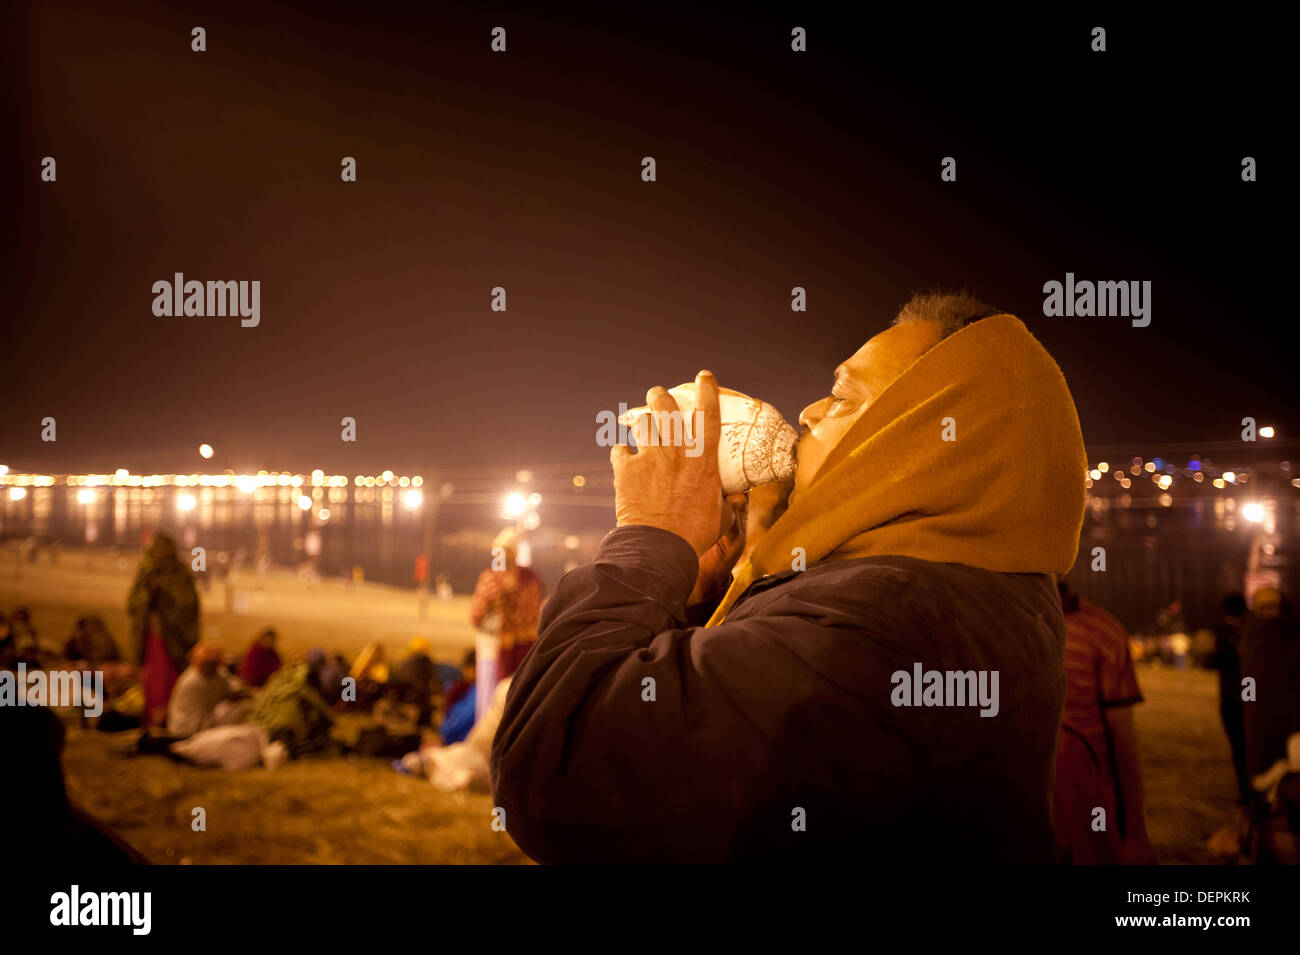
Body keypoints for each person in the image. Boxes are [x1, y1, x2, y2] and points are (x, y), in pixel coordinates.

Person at [492, 293, 1089, 863]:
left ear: (922, 444)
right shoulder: (982, 588)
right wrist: (699, 601)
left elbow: (553, 775)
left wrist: (648, 538)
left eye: (843, 399)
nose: (809, 412)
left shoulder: (877, 628)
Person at [1054, 582, 1156, 864]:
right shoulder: (1001, 624)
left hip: (1088, 809)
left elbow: (1122, 738)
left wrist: (1135, 832)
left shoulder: (1101, 630)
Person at [127, 532, 200, 727]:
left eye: (163, 546)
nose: (159, 550)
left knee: (171, 678)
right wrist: (148, 595)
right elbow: (133, 602)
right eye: (156, 546)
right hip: (151, 635)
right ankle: (151, 715)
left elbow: (188, 604)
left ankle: (171, 714)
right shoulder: (146, 570)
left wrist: (165, 597)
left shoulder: (180, 572)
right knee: (152, 680)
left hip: (173, 640)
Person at [469, 528, 543, 681]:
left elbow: (477, 614)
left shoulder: (496, 577)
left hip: (504, 645)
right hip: (510, 644)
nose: (499, 556)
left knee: (497, 689)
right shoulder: (530, 577)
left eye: (502, 552)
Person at [1211, 593, 1252, 804]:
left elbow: (1215, 660)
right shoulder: (1254, 631)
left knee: (1240, 747)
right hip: (1248, 699)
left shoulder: (1225, 632)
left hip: (1233, 698)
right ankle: (1251, 791)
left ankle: (1247, 791)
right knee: (1248, 746)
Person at [166, 641, 248, 738]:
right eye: (205, 663)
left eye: (213, 664)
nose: (209, 667)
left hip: (201, 727)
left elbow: (229, 691)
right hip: (185, 730)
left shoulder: (216, 676)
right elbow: (225, 693)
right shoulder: (192, 681)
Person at [393, 636, 441, 725]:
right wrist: (439, 692)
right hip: (419, 693)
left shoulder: (405, 659)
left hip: (403, 692)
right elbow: (434, 679)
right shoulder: (425, 660)